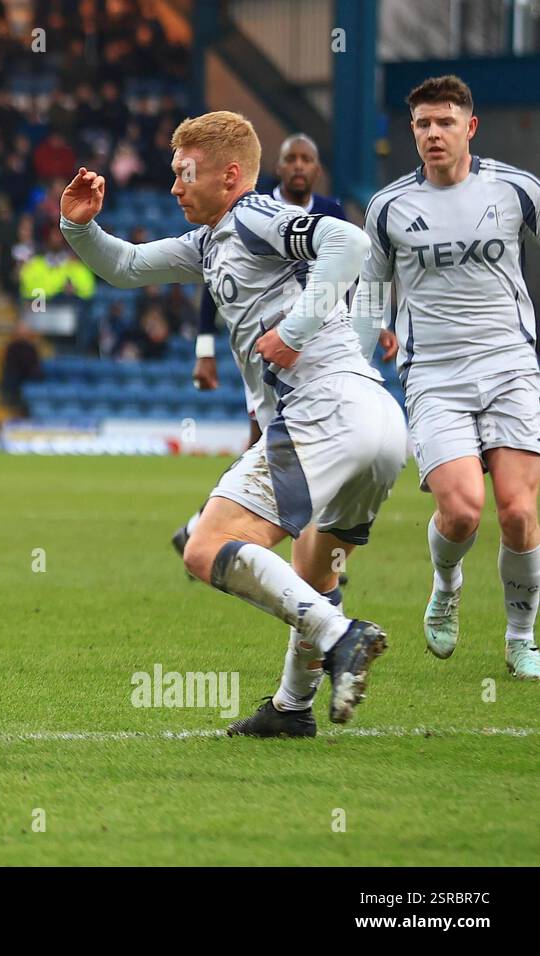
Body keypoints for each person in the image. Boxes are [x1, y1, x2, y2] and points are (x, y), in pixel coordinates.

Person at [61, 111, 408, 737]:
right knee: (314, 574)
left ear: (228, 175)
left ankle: (342, 638)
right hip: (377, 423)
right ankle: (292, 709)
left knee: (202, 547)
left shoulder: (253, 216)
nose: (173, 187)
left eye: (183, 174)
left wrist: (294, 331)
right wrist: (79, 227)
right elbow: (129, 265)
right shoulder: (211, 241)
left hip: (321, 411)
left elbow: (351, 244)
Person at [352, 75, 540, 680]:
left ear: (470, 127)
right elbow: (369, 294)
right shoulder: (388, 208)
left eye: (445, 123)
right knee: (463, 511)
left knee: (517, 512)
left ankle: (519, 638)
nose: (433, 134)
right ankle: (446, 581)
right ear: (412, 132)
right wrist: (360, 363)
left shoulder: (515, 190)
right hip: (433, 373)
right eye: (422, 125)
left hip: (510, 364)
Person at [173, 132, 359, 564]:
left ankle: (214, 531)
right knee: (267, 445)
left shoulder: (331, 212)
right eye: (290, 158)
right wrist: (204, 347)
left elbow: (354, 268)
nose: (298, 166)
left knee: (293, 452)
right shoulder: (251, 210)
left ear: (316, 169)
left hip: (320, 347)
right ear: (276, 167)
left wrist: (366, 326)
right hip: (264, 353)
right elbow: (212, 281)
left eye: (306, 159)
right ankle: (224, 534)